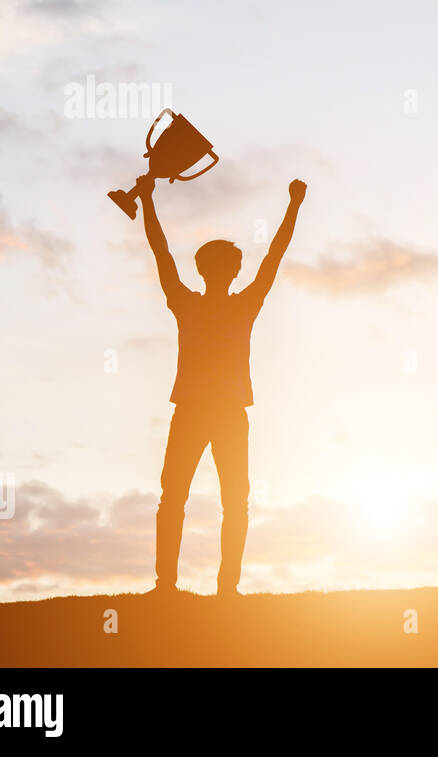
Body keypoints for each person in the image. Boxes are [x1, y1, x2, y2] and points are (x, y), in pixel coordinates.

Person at [136, 174, 307, 596]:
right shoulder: (239, 305)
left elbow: (161, 252)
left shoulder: (188, 303)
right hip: (218, 412)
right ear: (231, 271)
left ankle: (171, 586)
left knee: (178, 498)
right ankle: (219, 589)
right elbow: (274, 256)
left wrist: (148, 201)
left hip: (202, 411)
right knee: (224, 502)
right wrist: (294, 205)